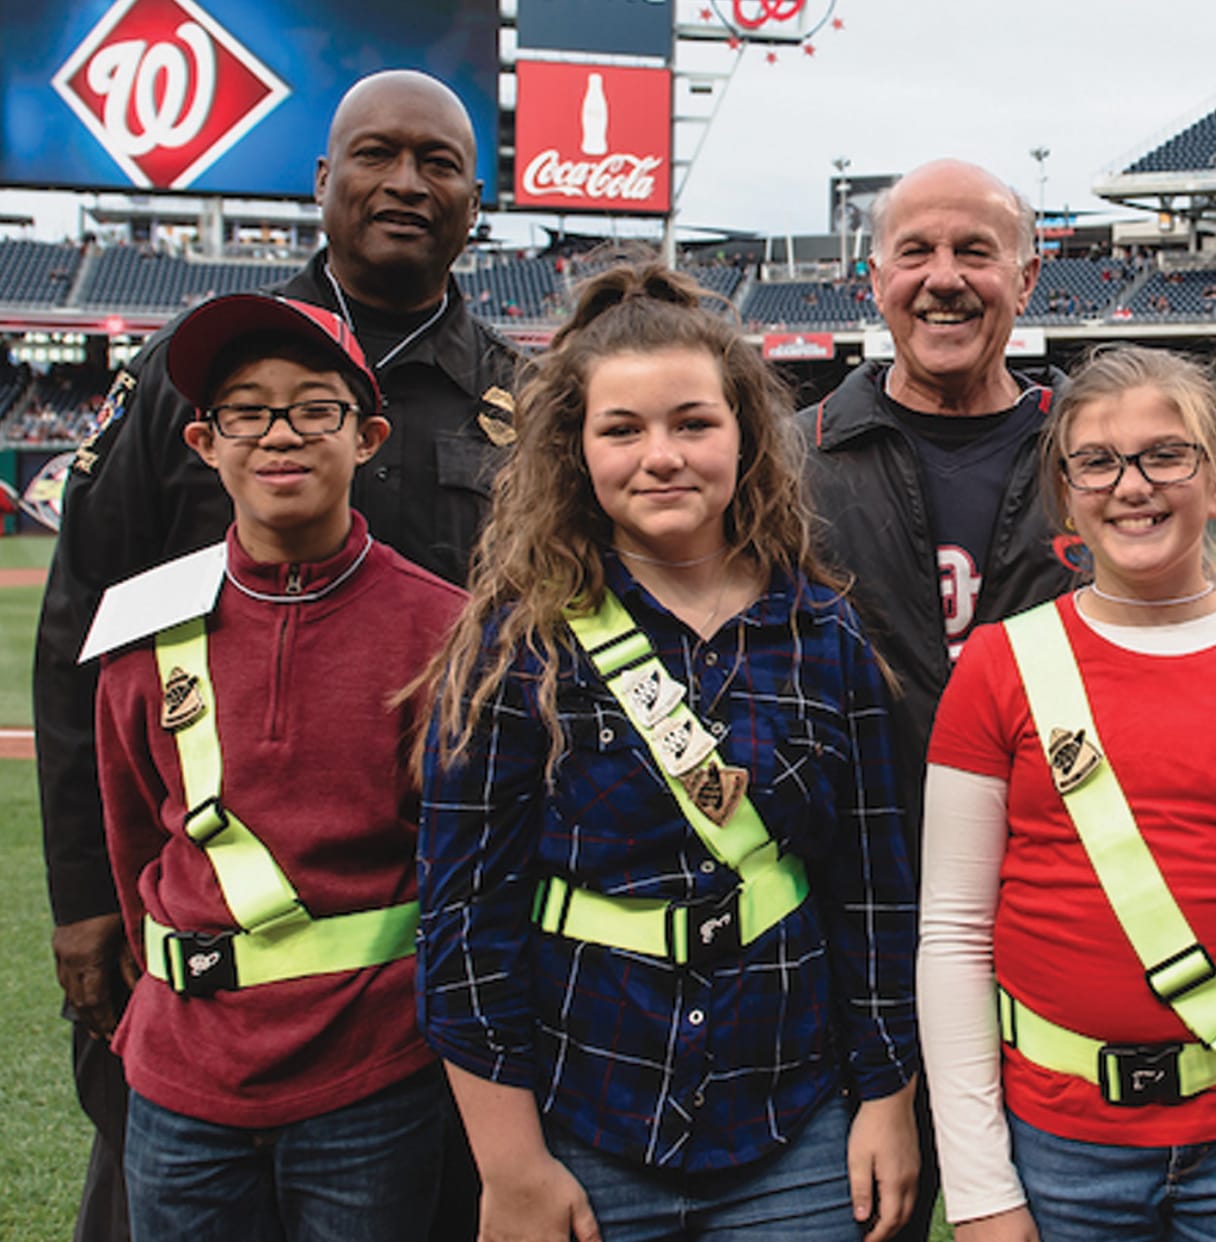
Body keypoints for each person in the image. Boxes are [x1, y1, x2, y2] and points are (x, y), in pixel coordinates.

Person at [33, 68, 519, 1241]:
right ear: (323, 181)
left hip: (411, 958)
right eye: (376, 155)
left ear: (476, 199)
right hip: (205, 933)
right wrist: (86, 902)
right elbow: (82, 629)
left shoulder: (521, 404)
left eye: (439, 163)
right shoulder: (189, 373)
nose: (406, 183)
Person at [415, 262, 919, 1241]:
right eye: (623, 429)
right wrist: (512, 1164)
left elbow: (872, 893)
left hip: (794, 1123)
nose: (663, 456)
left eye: (694, 423)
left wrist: (888, 1097)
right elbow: (464, 926)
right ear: (575, 448)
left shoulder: (826, 635)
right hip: (584, 1119)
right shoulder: (520, 644)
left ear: (744, 435)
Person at [918, 345, 1216, 1241]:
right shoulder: (997, 665)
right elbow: (952, 930)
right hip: (1060, 1142)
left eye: (1166, 455)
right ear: (1066, 493)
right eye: (1096, 461)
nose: (1130, 483)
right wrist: (981, 1184)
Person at [92, 294, 464, 1239]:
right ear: (204, 443)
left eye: (314, 409)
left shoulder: (447, 630)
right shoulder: (147, 630)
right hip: (184, 1076)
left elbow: (461, 867)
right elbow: (136, 835)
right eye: (246, 412)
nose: (279, 435)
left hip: (372, 1079)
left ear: (368, 435)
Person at [803, 157, 1083, 1239]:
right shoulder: (795, 460)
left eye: (975, 250)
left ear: (1026, 275)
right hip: (853, 921)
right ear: (871, 278)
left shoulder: (1093, 455)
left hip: (1055, 913)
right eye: (916, 251)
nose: (945, 278)